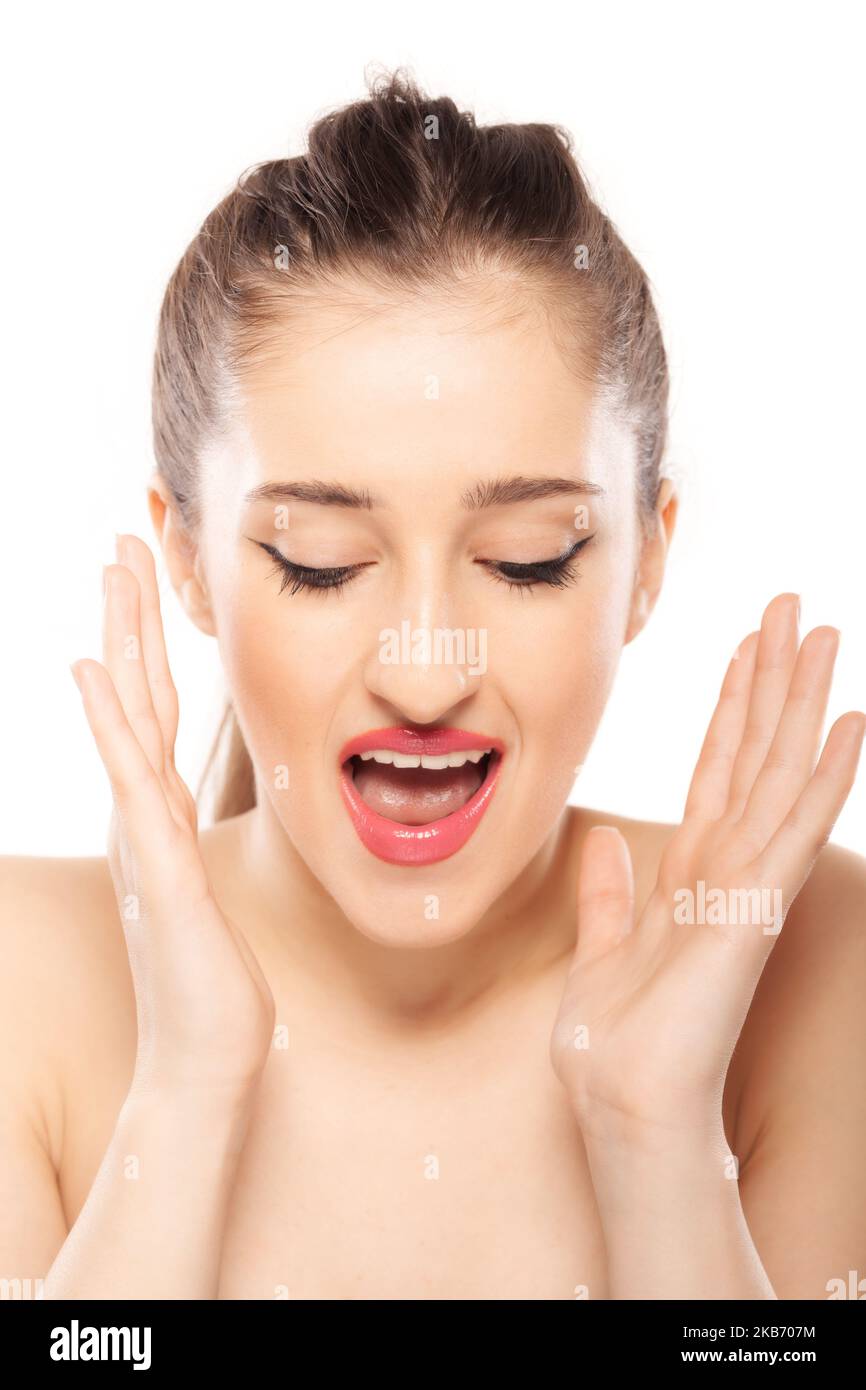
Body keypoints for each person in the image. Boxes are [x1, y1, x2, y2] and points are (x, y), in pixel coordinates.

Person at [2, 69, 864, 1302]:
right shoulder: (18, 973)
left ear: (645, 559)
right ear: (188, 562)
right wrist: (182, 1099)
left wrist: (656, 1141)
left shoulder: (808, 955)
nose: (421, 672)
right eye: (320, 564)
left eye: (527, 562)